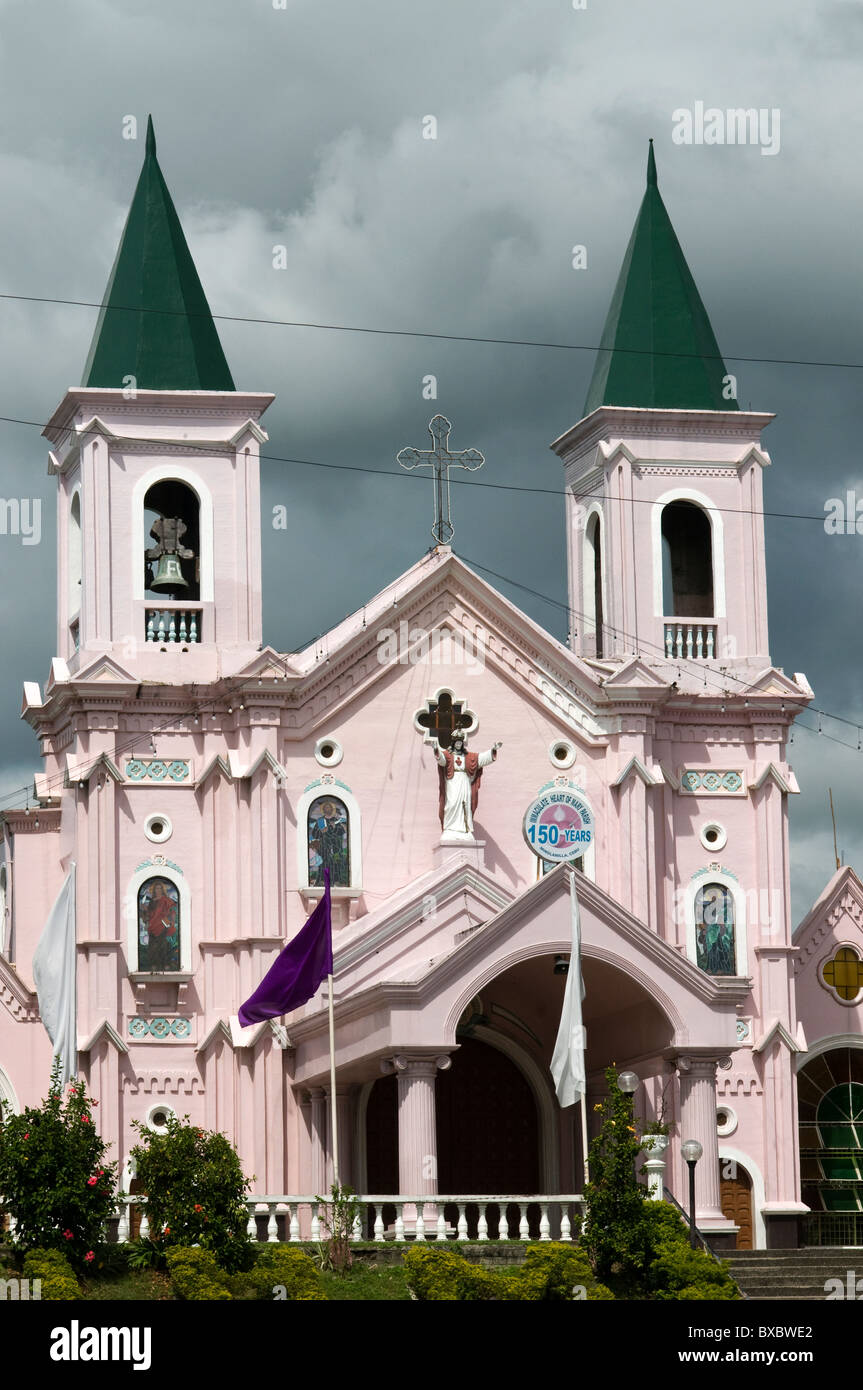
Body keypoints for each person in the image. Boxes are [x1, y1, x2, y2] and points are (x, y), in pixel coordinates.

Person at [433, 729, 501, 838]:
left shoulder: (469, 756)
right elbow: (441, 760)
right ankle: (450, 828)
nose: (459, 745)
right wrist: (436, 749)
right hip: (453, 782)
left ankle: (465, 829)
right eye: (457, 743)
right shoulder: (448, 755)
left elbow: (482, 759)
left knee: (465, 804)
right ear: (453, 743)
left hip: (464, 782)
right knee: (452, 803)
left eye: (460, 743)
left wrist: (493, 750)